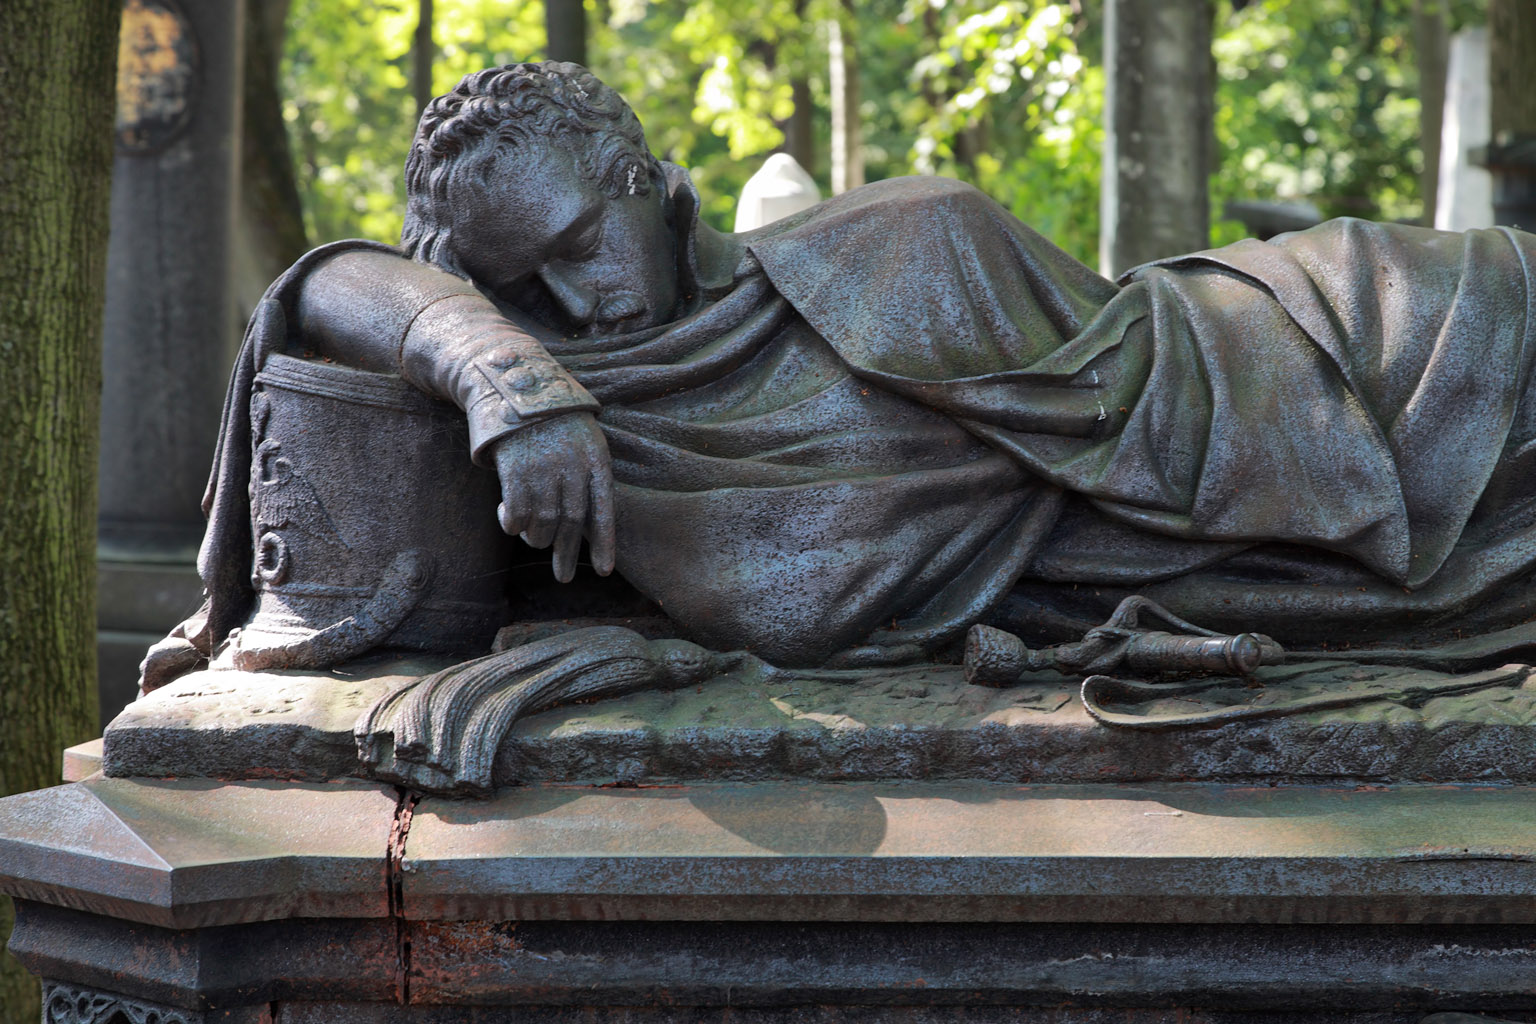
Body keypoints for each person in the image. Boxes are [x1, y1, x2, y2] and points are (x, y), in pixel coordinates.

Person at [147, 61, 1536, 690]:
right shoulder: (585, 390)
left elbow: (1144, 384)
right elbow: (317, 296)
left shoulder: (899, 243)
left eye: (580, 248)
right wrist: (494, 360)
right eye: (520, 285)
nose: (574, 299)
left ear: (652, 185)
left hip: (1339, 365)